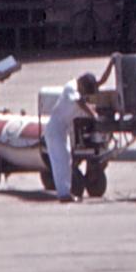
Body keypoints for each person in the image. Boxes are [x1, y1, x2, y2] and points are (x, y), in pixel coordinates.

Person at [43, 72, 100, 204]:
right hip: (55, 130)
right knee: (60, 161)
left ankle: (66, 192)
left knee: (66, 159)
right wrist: (94, 115)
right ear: (81, 83)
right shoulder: (71, 87)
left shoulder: (77, 88)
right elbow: (80, 103)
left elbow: (98, 83)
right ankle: (63, 195)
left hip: (63, 129)